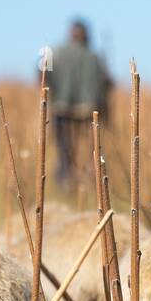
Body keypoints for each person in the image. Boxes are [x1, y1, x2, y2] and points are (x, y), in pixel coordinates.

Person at [45, 19, 112, 183]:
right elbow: (106, 83)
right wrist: (106, 113)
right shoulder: (94, 57)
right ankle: (91, 183)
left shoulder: (56, 53)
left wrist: (52, 93)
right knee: (93, 151)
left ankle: (64, 181)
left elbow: (43, 73)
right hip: (88, 111)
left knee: (64, 151)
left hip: (61, 108)